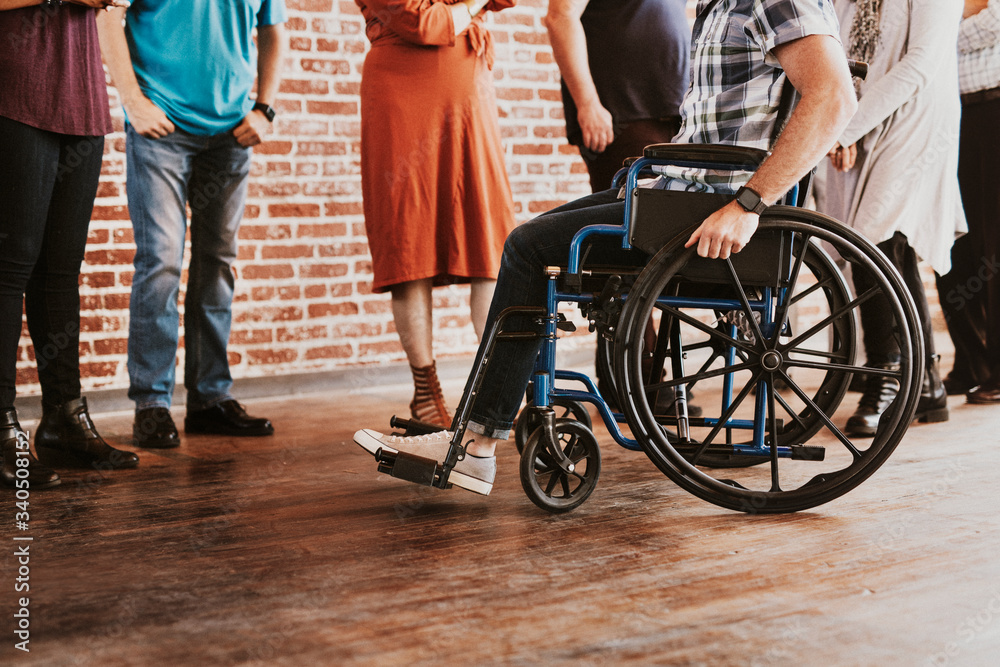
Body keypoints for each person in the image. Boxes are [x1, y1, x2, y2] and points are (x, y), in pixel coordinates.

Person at [354, 0, 859, 496]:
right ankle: (493, 422)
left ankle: (476, 444)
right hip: (679, 192)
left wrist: (749, 205)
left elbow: (834, 97)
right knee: (534, 238)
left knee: (530, 250)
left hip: (704, 211)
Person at [96, 0, 286, 448]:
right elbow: (107, 14)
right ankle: (152, 403)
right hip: (161, 128)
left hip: (232, 133)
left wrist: (266, 108)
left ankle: (209, 399)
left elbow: (275, 30)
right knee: (161, 260)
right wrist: (133, 102)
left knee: (217, 262)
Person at [355, 0, 518, 429]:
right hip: (401, 99)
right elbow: (425, 23)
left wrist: (461, 10)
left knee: (489, 245)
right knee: (409, 245)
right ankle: (425, 393)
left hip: (468, 100)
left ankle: (497, 387)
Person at [1, 0, 139, 491]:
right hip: (15, 89)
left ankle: (63, 418)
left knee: (60, 271)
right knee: (10, 269)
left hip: (79, 95)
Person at [816, 0, 965, 436]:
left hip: (916, 117)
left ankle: (890, 375)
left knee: (877, 240)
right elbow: (843, 52)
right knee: (876, 247)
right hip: (866, 117)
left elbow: (921, 62)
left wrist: (847, 126)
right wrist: (846, 121)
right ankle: (925, 381)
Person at [544, 0, 690, 193]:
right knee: (632, 212)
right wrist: (588, 103)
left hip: (679, 110)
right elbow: (561, 16)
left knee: (678, 213)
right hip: (621, 113)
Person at [935, 0, 1000, 404]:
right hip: (946, 116)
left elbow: (992, 23)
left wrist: (941, 28)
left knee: (992, 245)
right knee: (950, 242)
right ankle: (971, 361)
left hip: (993, 109)